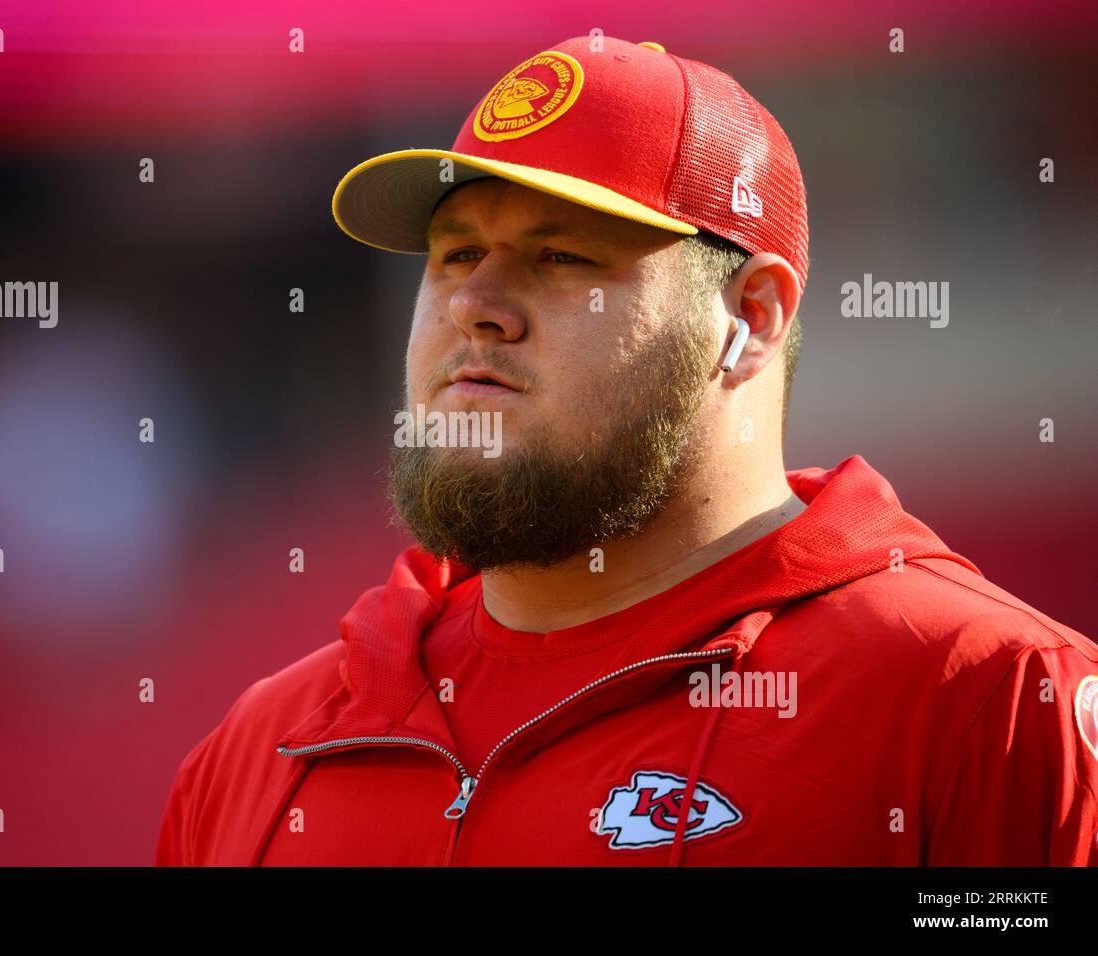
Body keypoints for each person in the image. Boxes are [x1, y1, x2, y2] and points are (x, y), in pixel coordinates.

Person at [156, 34, 1098, 865]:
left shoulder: (990, 699)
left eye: (562, 257)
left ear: (752, 316)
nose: (473, 305)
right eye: (455, 255)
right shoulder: (261, 752)